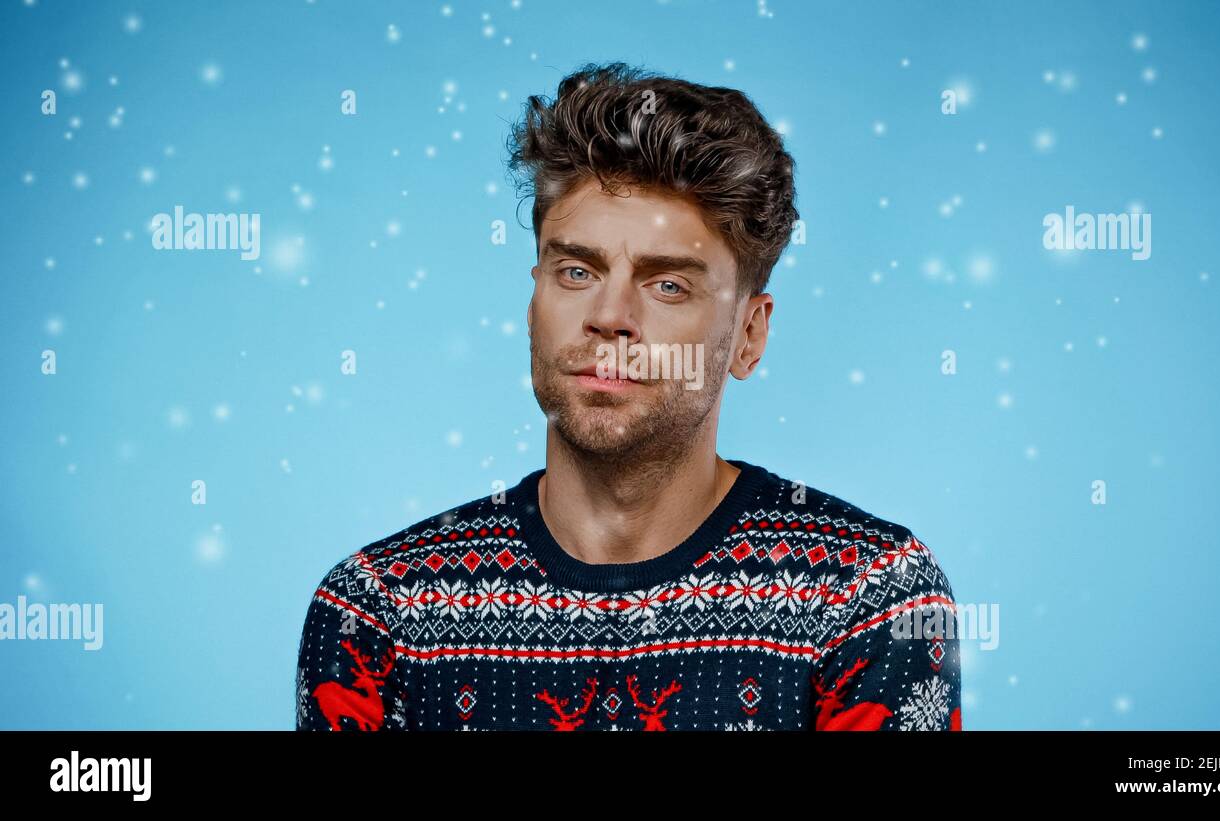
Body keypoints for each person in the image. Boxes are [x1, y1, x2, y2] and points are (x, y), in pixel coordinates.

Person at [296, 61, 960, 731]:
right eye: (577, 270)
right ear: (533, 305)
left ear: (747, 336)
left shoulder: (867, 595)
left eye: (668, 284)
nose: (610, 314)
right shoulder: (379, 615)